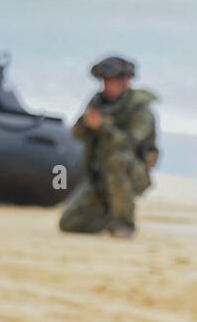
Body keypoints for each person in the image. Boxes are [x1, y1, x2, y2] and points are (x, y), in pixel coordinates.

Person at [59, 55, 159, 238]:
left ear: (126, 81)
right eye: (105, 82)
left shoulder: (140, 109)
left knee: (117, 160)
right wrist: (86, 123)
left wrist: (103, 126)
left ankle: (124, 224)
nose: (108, 86)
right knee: (68, 224)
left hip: (131, 174)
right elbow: (76, 135)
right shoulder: (98, 102)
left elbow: (130, 142)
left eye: (112, 81)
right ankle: (107, 215)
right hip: (99, 175)